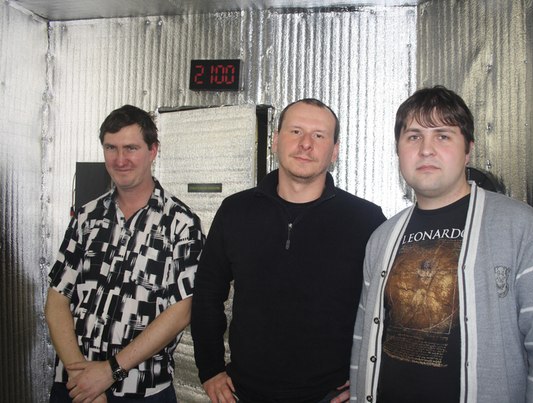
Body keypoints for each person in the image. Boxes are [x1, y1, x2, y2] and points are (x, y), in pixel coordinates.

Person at [349, 86, 533, 402]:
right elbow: (363, 338)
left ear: (468, 149)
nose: (426, 149)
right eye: (414, 136)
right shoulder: (382, 237)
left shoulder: (521, 227)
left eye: (442, 136)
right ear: (398, 150)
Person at [191, 98, 386, 403]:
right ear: (275, 141)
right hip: (244, 393)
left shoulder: (366, 220)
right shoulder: (236, 211)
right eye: (295, 131)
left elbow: (389, 309)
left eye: (319, 135)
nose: (306, 144)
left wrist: (367, 377)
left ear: (335, 151)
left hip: (329, 395)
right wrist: (210, 368)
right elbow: (206, 293)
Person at [45, 105, 205, 402]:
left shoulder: (181, 223)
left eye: (131, 148)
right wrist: (82, 378)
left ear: (153, 150)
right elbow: (56, 299)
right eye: (111, 148)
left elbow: (182, 310)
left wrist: (109, 372)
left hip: (143, 389)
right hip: (75, 389)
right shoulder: (87, 217)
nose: (120, 160)